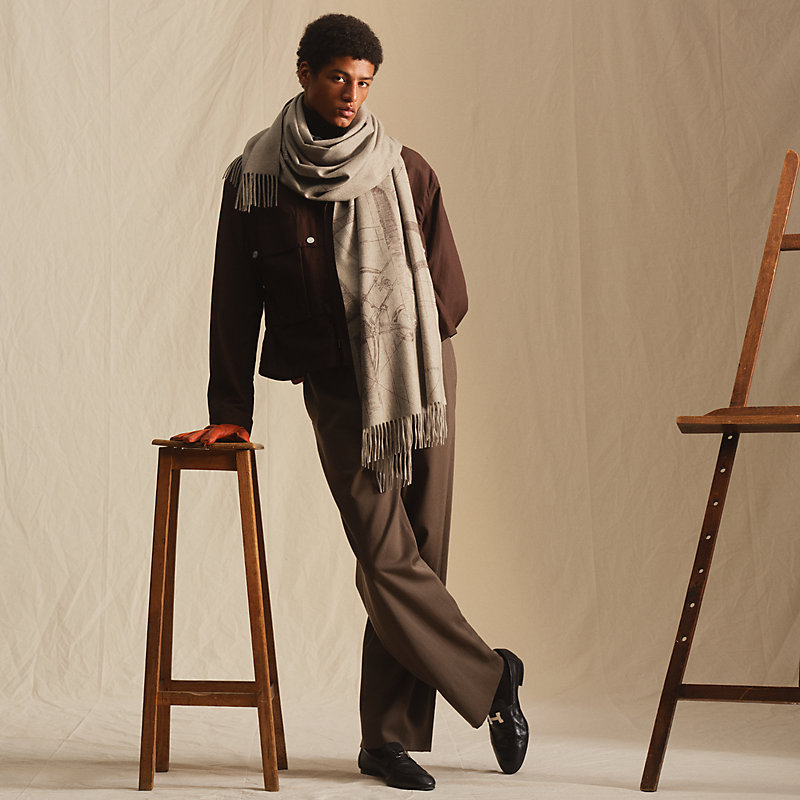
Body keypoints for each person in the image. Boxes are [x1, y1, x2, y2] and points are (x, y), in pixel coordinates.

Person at [173, 13, 528, 791]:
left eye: (364, 82)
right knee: (384, 552)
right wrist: (231, 408)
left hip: (420, 377)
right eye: (338, 77)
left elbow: (449, 290)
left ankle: (386, 740)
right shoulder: (255, 179)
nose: (351, 95)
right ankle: (492, 677)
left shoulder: (405, 168)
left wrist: (403, 341)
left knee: (422, 547)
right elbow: (233, 299)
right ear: (304, 73)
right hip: (336, 383)